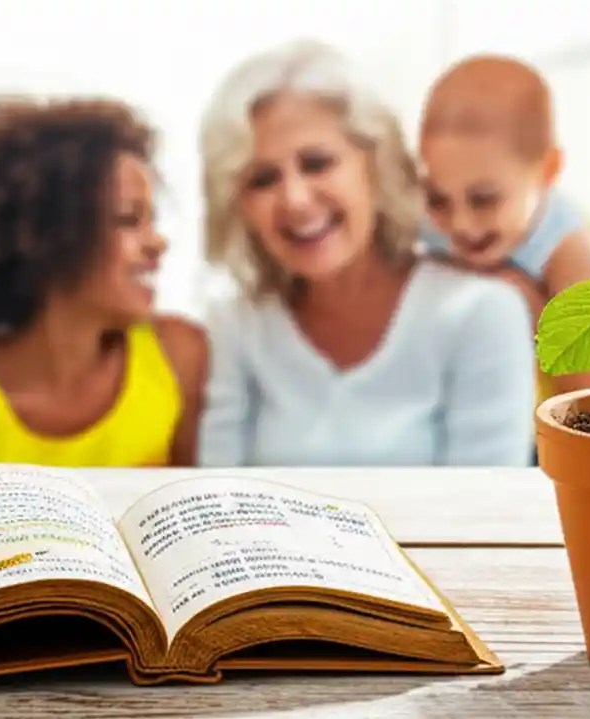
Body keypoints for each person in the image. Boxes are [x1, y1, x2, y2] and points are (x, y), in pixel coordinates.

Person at [197, 40, 535, 467]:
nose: (295, 199)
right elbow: (214, 506)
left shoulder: (480, 313)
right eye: (263, 179)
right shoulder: (237, 325)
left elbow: (484, 515)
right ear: (239, 205)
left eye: (317, 163)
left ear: (375, 165)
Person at [0, 98, 208, 467]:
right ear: (46, 237)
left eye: (151, 220)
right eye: (129, 220)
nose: (158, 242)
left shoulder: (178, 355)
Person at [418, 54, 590, 399]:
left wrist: (528, 306)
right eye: (438, 199)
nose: (460, 224)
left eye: (484, 199)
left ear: (547, 171)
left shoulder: (566, 246)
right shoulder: (425, 212)